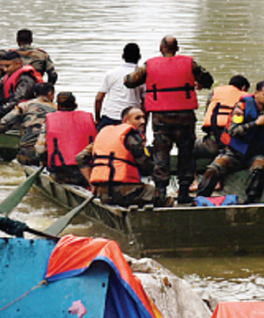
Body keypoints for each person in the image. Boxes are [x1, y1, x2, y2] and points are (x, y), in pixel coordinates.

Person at [124, 35, 214, 206]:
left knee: (161, 155)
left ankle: (161, 193)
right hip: (185, 117)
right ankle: (184, 193)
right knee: (186, 154)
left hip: (161, 118)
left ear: (161, 48)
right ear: (177, 48)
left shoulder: (149, 66)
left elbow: (129, 81)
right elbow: (208, 80)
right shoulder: (190, 64)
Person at [196, 80, 264, 203]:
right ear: (256, 93)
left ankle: (250, 202)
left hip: (258, 153)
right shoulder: (242, 107)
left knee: (260, 168)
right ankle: (201, 198)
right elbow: (234, 130)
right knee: (214, 169)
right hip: (236, 153)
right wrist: (256, 124)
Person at [77, 106, 166, 207]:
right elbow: (145, 166)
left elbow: (81, 158)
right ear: (125, 120)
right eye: (137, 118)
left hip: (102, 192)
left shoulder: (103, 135)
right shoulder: (131, 137)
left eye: (144, 118)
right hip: (125, 192)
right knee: (158, 195)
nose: (143, 121)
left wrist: (92, 184)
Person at [0, 49, 42, 127]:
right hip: (7, 111)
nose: (5, 69)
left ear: (18, 64)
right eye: (3, 66)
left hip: (21, 113)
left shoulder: (25, 79)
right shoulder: (6, 76)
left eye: (8, 66)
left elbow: (18, 101)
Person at [0, 82, 56, 166]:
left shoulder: (24, 105)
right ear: (50, 93)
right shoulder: (57, 110)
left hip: (26, 150)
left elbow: (5, 122)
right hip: (47, 152)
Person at [45, 92, 96, 187]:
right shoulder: (88, 117)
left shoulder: (50, 119)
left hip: (62, 171)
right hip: (88, 170)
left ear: (58, 106)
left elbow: (39, 149)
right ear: (75, 105)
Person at [195, 74, 250, 159]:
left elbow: (207, 112)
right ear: (243, 88)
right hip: (236, 144)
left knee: (192, 145)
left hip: (212, 144)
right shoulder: (248, 98)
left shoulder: (215, 92)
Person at [95, 43, 145, 131]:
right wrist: (143, 123)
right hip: (131, 119)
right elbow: (145, 103)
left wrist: (98, 119)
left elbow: (99, 98)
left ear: (123, 56)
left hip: (110, 117)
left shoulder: (111, 73)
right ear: (139, 56)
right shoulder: (142, 77)